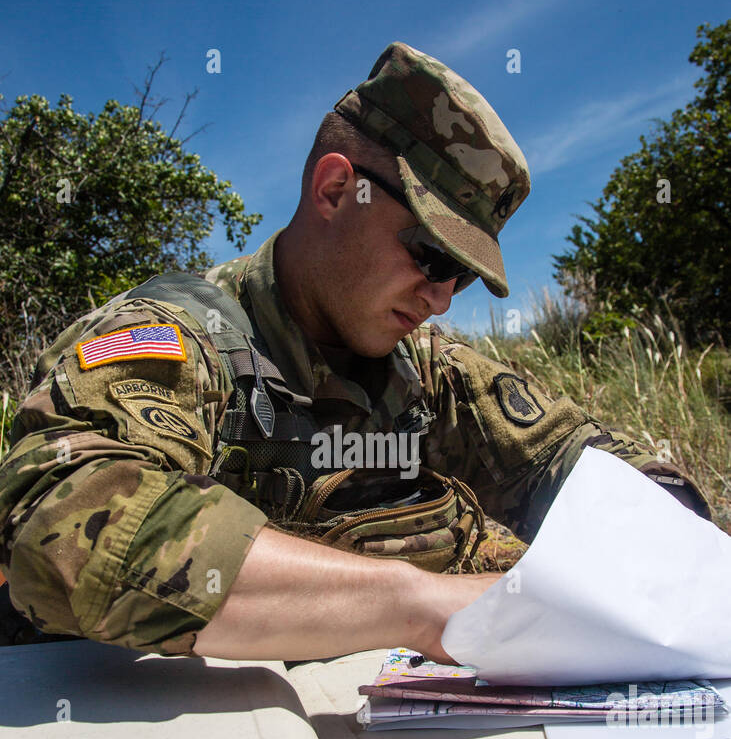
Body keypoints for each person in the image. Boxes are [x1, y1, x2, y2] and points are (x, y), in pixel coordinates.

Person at [0, 42, 709, 662]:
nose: (441, 299)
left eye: (461, 276)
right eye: (431, 256)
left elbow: (567, 460)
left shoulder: (425, 371)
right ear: (336, 190)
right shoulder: (176, 340)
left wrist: (675, 536)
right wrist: (418, 603)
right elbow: (61, 522)